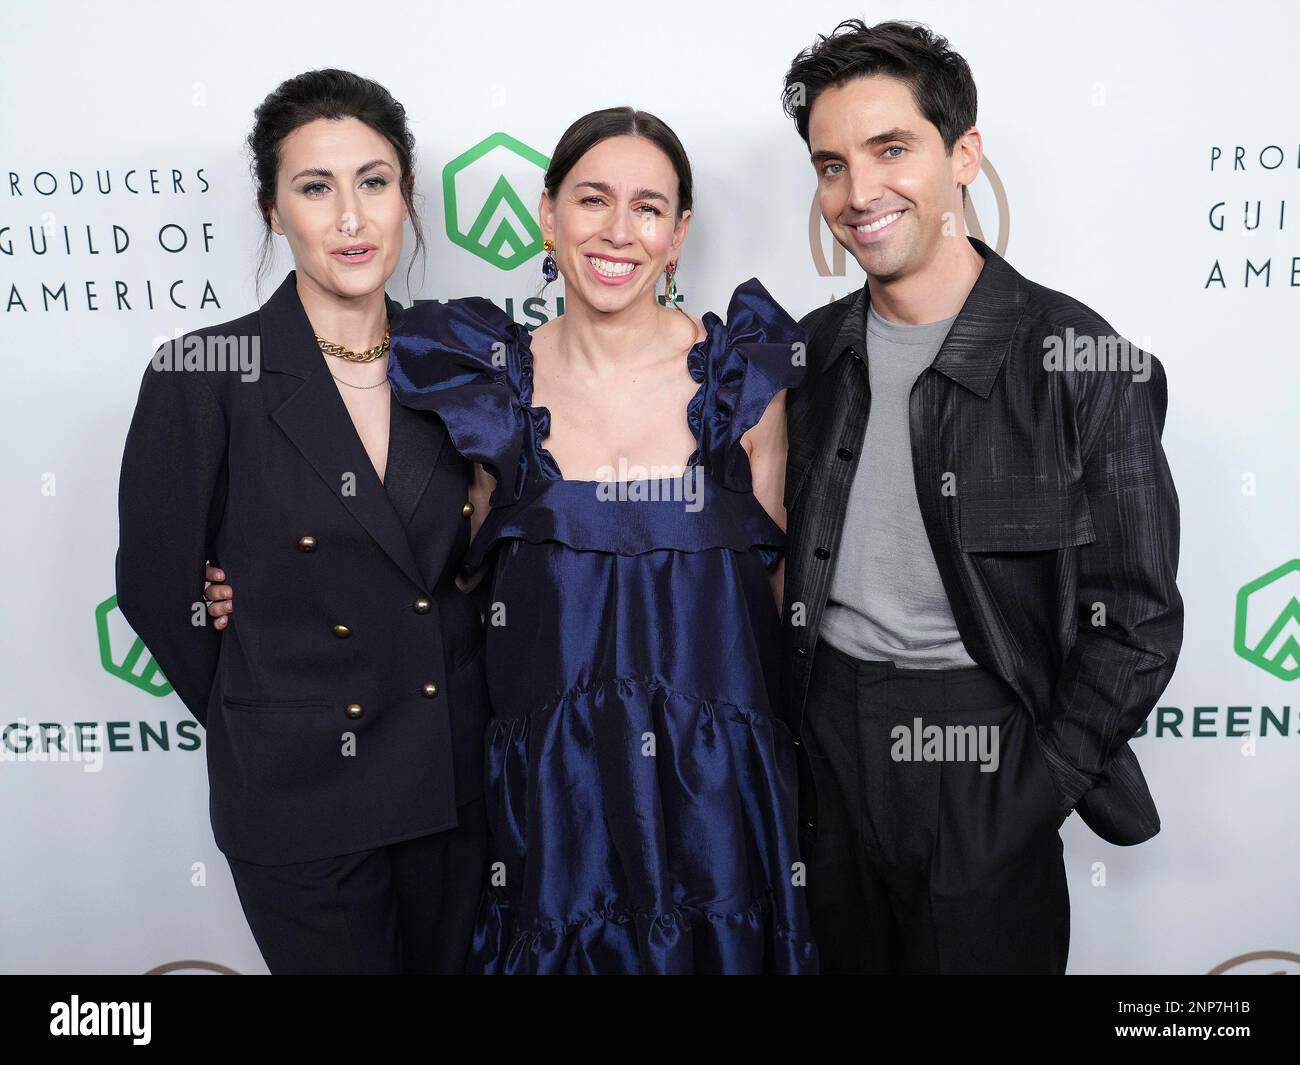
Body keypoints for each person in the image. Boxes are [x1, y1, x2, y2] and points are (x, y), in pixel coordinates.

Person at [778, 20, 1183, 974]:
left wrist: (1036, 788)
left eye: (891, 150)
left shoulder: (1083, 363)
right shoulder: (810, 354)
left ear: (963, 155)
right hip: (826, 740)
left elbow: (1137, 618)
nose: (859, 192)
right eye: (831, 165)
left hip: (982, 748)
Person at [388, 107, 819, 974]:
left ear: (679, 232)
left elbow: (783, 602)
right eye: (592, 200)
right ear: (548, 216)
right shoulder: (485, 385)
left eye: (648, 207)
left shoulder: (746, 381)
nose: (618, 231)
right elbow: (452, 583)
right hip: (557, 814)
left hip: (717, 808)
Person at [115, 69, 488, 974]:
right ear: (273, 211)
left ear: (406, 194)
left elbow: (488, 555)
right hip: (301, 797)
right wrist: (267, 703)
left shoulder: (465, 360)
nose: (351, 218)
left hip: (454, 781)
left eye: (374, 181)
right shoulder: (204, 373)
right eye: (316, 188)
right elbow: (161, 594)